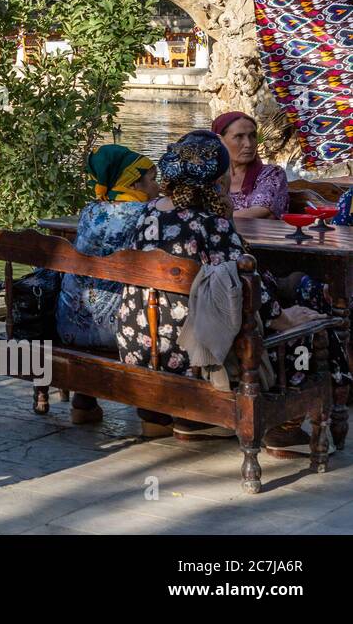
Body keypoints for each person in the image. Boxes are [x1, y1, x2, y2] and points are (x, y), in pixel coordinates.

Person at [115, 131, 346, 449]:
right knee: (311, 327)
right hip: (192, 355)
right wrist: (288, 318)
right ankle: (284, 426)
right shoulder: (212, 225)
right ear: (218, 178)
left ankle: (191, 420)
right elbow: (254, 295)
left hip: (140, 346)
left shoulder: (150, 213)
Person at [57, 145, 157, 351]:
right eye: (153, 180)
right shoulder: (148, 214)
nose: (159, 187)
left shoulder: (90, 210)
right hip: (121, 332)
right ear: (134, 183)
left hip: (66, 324)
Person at [213, 111, 288, 219]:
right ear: (219, 141)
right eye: (239, 136)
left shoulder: (272, 173)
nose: (248, 144)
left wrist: (211, 219)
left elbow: (261, 212)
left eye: (253, 136)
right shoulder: (208, 175)